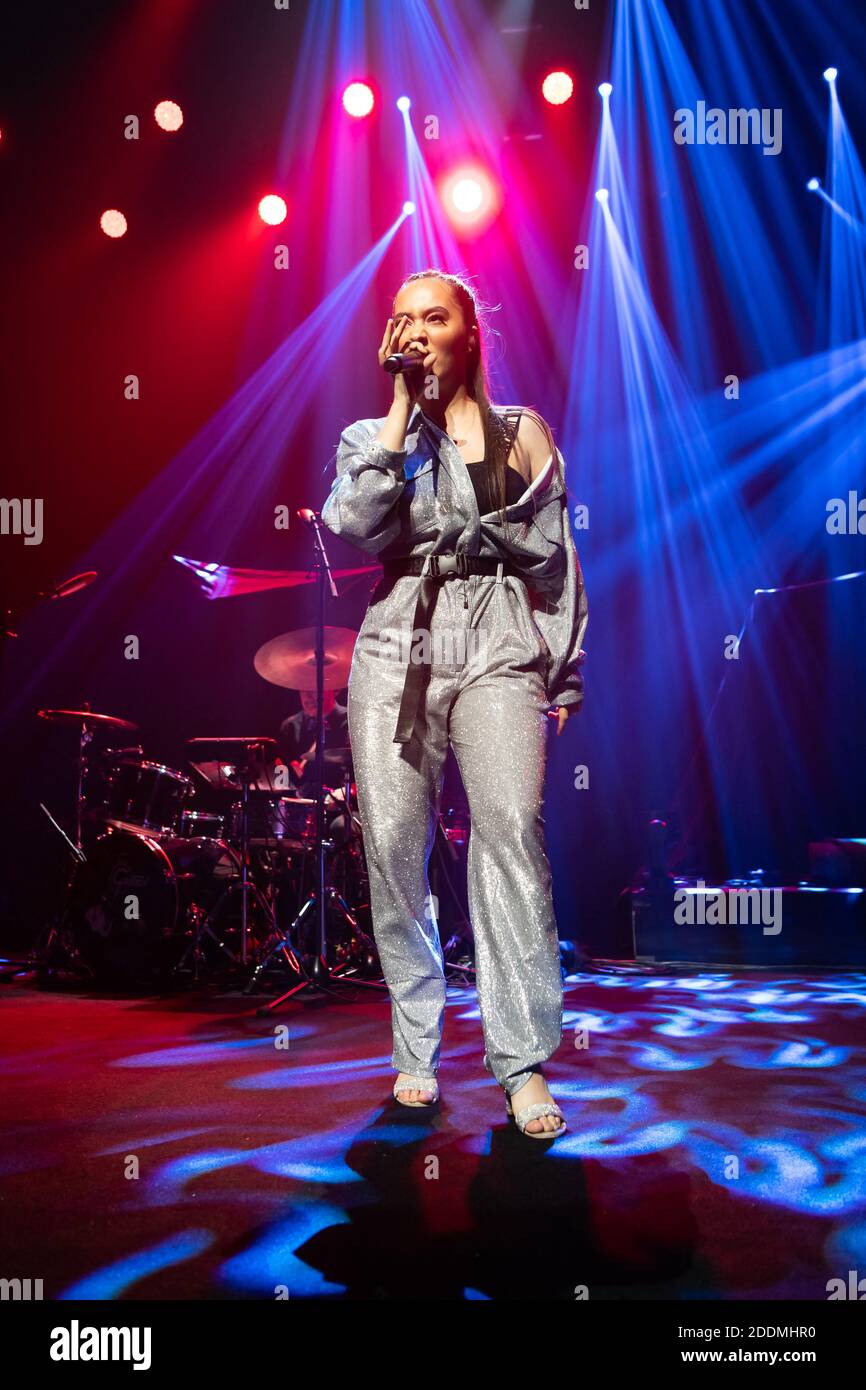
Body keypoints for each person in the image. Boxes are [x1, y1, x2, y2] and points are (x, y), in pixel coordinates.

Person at [321, 269, 587, 1138]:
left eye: (433, 317)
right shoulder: (372, 434)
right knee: (395, 842)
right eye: (400, 320)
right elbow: (356, 522)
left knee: (510, 826)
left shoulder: (522, 431)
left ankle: (522, 1062)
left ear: (470, 333)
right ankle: (414, 1049)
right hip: (401, 637)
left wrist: (565, 665)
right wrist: (401, 411)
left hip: (501, 636)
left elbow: (555, 556)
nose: (415, 331)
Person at [278, 688, 349, 791]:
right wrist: (287, 777)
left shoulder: (352, 722)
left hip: (340, 803)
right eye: (303, 689)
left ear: (335, 690)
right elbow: (280, 780)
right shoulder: (290, 726)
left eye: (315, 689)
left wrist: (349, 790)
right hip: (297, 803)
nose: (307, 697)